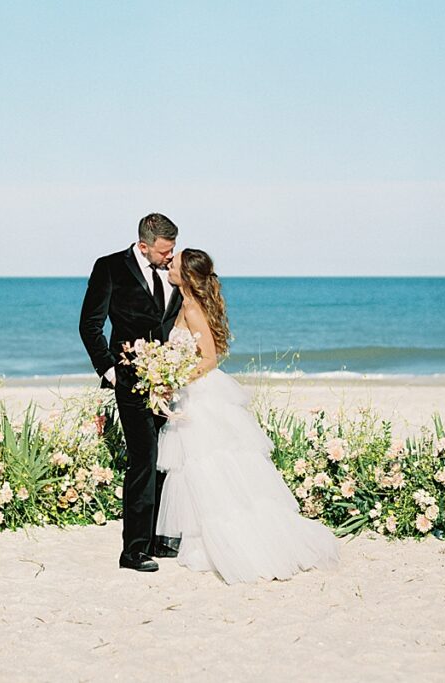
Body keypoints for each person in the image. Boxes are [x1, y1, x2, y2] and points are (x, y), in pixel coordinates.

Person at [155, 248, 340, 583]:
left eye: (176, 263)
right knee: (197, 468)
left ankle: (230, 541)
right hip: (191, 392)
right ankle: (198, 542)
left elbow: (210, 358)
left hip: (201, 395)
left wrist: (175, 379)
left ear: (189, 275)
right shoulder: (184, 303)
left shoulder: (193, 308)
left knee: (208, 465)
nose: (170, 264)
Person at [79, 213, 183, 572]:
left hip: (168, 378)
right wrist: (109, 370)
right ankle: (133, 550)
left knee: (164, 455)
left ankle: (156, 537)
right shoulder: (110, 267)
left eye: (172, 250)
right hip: (130, 378)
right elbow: (90, 323)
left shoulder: (174, 274)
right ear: (143, 246)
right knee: (143, 455)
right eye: (164, 251)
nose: (170, 257)